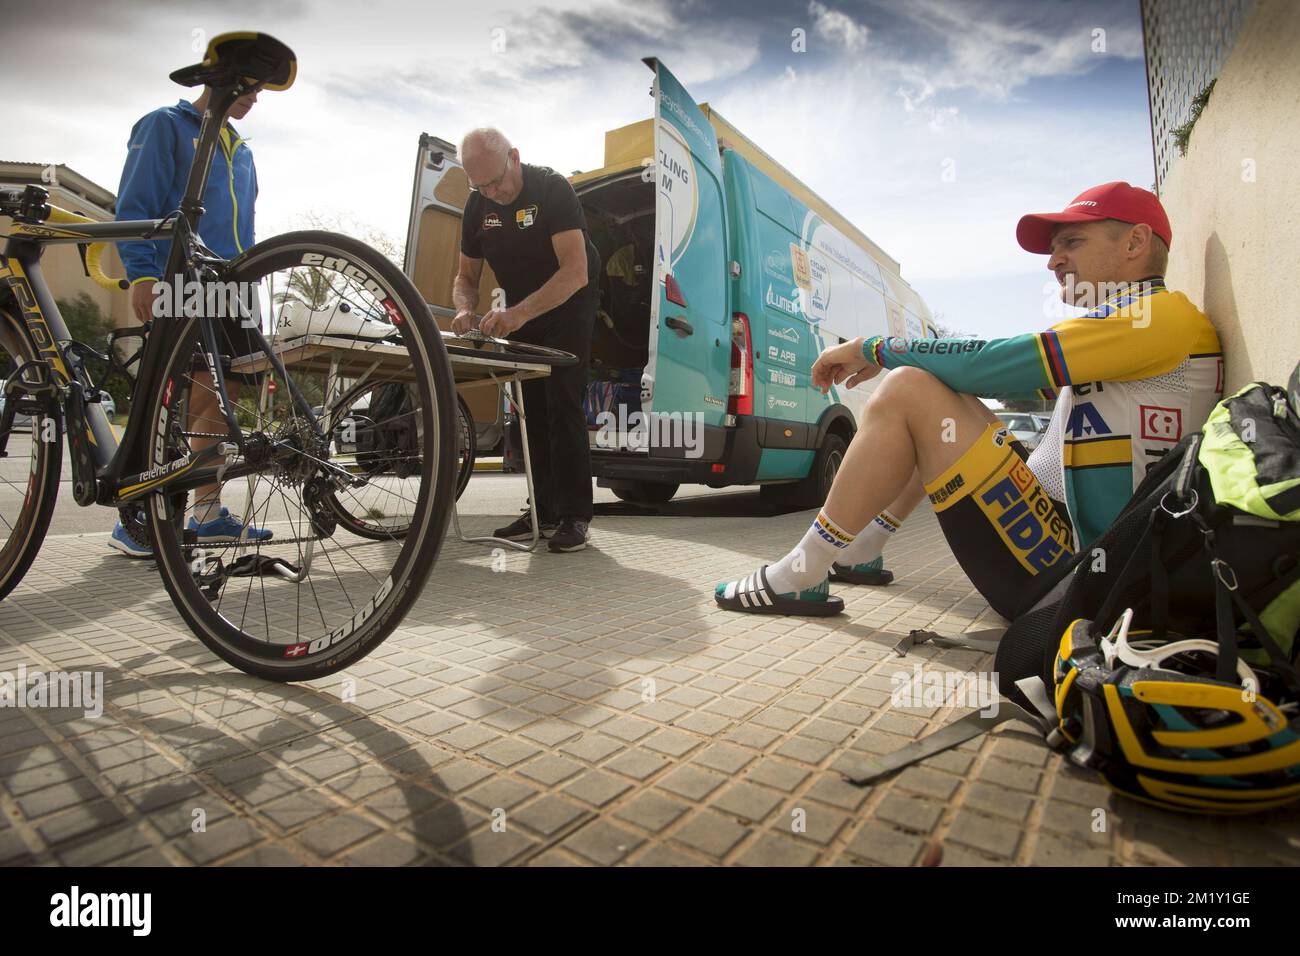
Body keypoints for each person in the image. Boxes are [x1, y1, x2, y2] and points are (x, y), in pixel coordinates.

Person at [716, 182, 1223, 618]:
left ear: (1136, 241)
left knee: (909, 388)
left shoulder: (1154, 317)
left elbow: (994, 365)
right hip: (1091, 558)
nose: (1053, 260)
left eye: (1072, 241)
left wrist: (873, 348)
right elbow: (979, 378)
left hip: (1083, 578)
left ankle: (804, 570)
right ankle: (861, 547)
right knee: (938, 397)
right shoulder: (1145, 323)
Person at [109, 85, 273, 556]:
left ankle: (206, 514)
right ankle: (136, 515)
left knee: (223, 396)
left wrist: (251, 280)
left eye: (260, 91)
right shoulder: (165, 124)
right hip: (180, 277)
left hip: (234, 283)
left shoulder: (241, 147)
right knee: (164, 402)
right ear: (215, 78)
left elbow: (248, 223)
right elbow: (136, 204)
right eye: (247, 87)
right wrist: (142, 273)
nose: (255, 99)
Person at [451, 128, 601, 553]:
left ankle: (574, 515)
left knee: (563, 398)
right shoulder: (477, 205)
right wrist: (464, 308)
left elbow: (575, 272)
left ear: (514, 157)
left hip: (569, 297)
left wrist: (516, 315)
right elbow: (466, 277)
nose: (492, 192)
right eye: (480, 186)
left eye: (497, 181)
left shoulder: (551, 188)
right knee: (531, 405)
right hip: (523, 305)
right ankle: (543, 510)